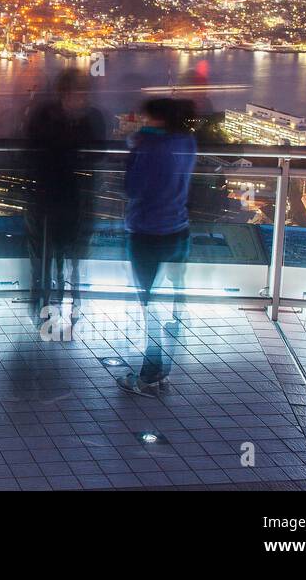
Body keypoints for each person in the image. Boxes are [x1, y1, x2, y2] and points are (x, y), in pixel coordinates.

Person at [117, 97, 196, 398]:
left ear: (157, 119)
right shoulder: (187, 142)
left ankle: (149, 374)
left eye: (148, 119)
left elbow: (133, 188)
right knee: (171, 300)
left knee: (149, 303)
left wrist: (135, 148)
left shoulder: (148, 147)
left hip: (148, 231)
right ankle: (163, 371)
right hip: (179, 230)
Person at [21, 69, 105, 318]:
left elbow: (30, 151)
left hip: (60, 198)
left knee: (56, 254)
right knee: (54, 254)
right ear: (65, 93)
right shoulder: (88, 118)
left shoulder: (46, 116)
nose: (84, 98)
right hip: (57, 198)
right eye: (79, 92)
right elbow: (96, 154)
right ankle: (52, 304)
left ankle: (56, 304)